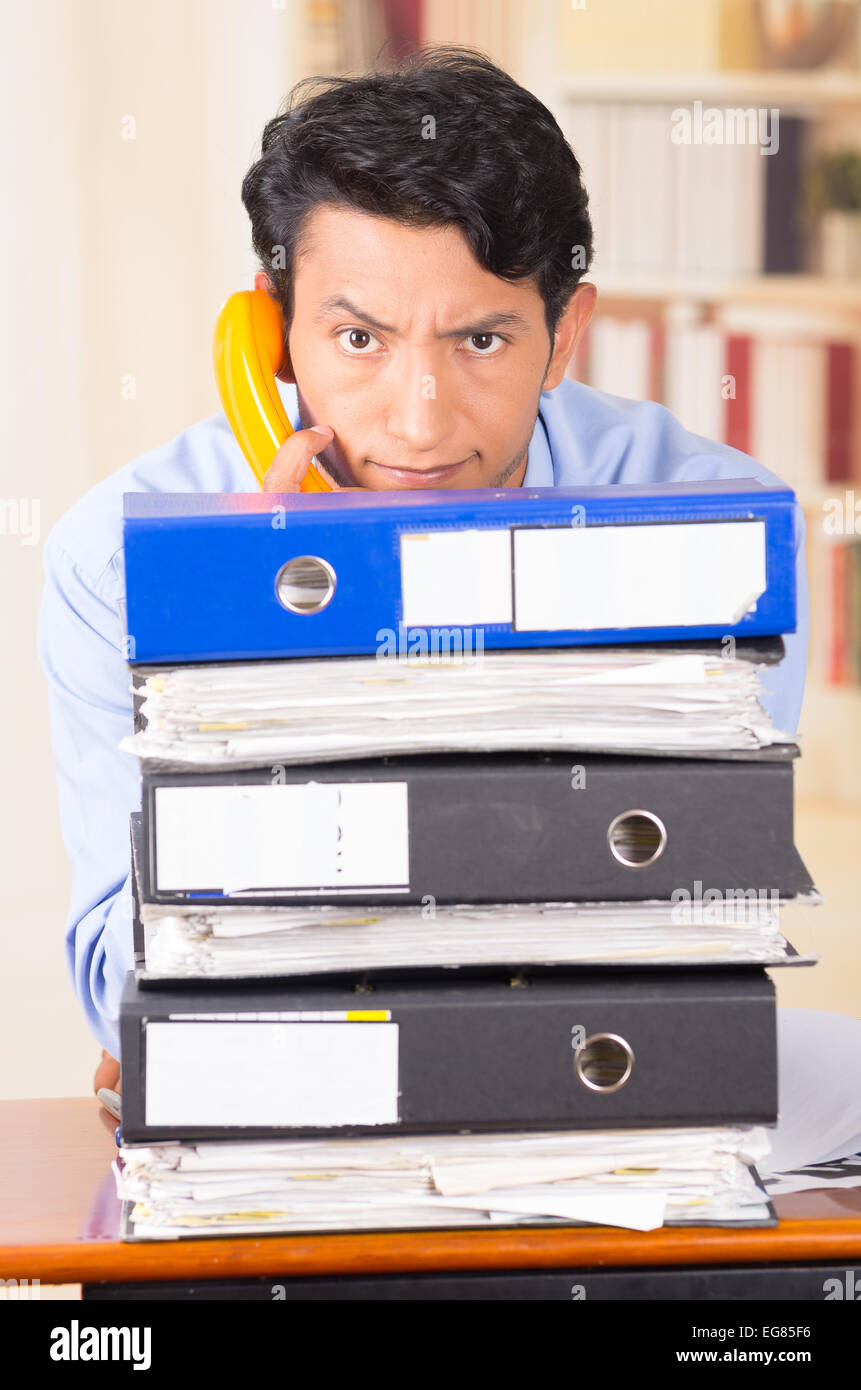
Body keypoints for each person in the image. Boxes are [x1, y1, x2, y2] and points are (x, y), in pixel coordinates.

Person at [37, 47, 808, 1103]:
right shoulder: (115, 559)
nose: (419, 419)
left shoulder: (716, 540)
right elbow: (124, 982)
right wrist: (270, 661)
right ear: (272, 333)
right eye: (357, 337)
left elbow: (687, 905)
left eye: (483, 339)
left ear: (564, 333)